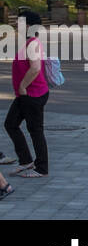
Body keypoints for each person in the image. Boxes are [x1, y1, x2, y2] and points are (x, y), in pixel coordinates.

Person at [5, 11, 50, 179]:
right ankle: (25, 160)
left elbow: (36, 68)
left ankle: (41, 168)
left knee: (35, 130)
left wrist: (23, 86)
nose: (18, 27)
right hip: (26, 95)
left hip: (32, 94)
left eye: (20, 24)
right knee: (10, 124)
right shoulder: (31, 42)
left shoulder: (33, 44)